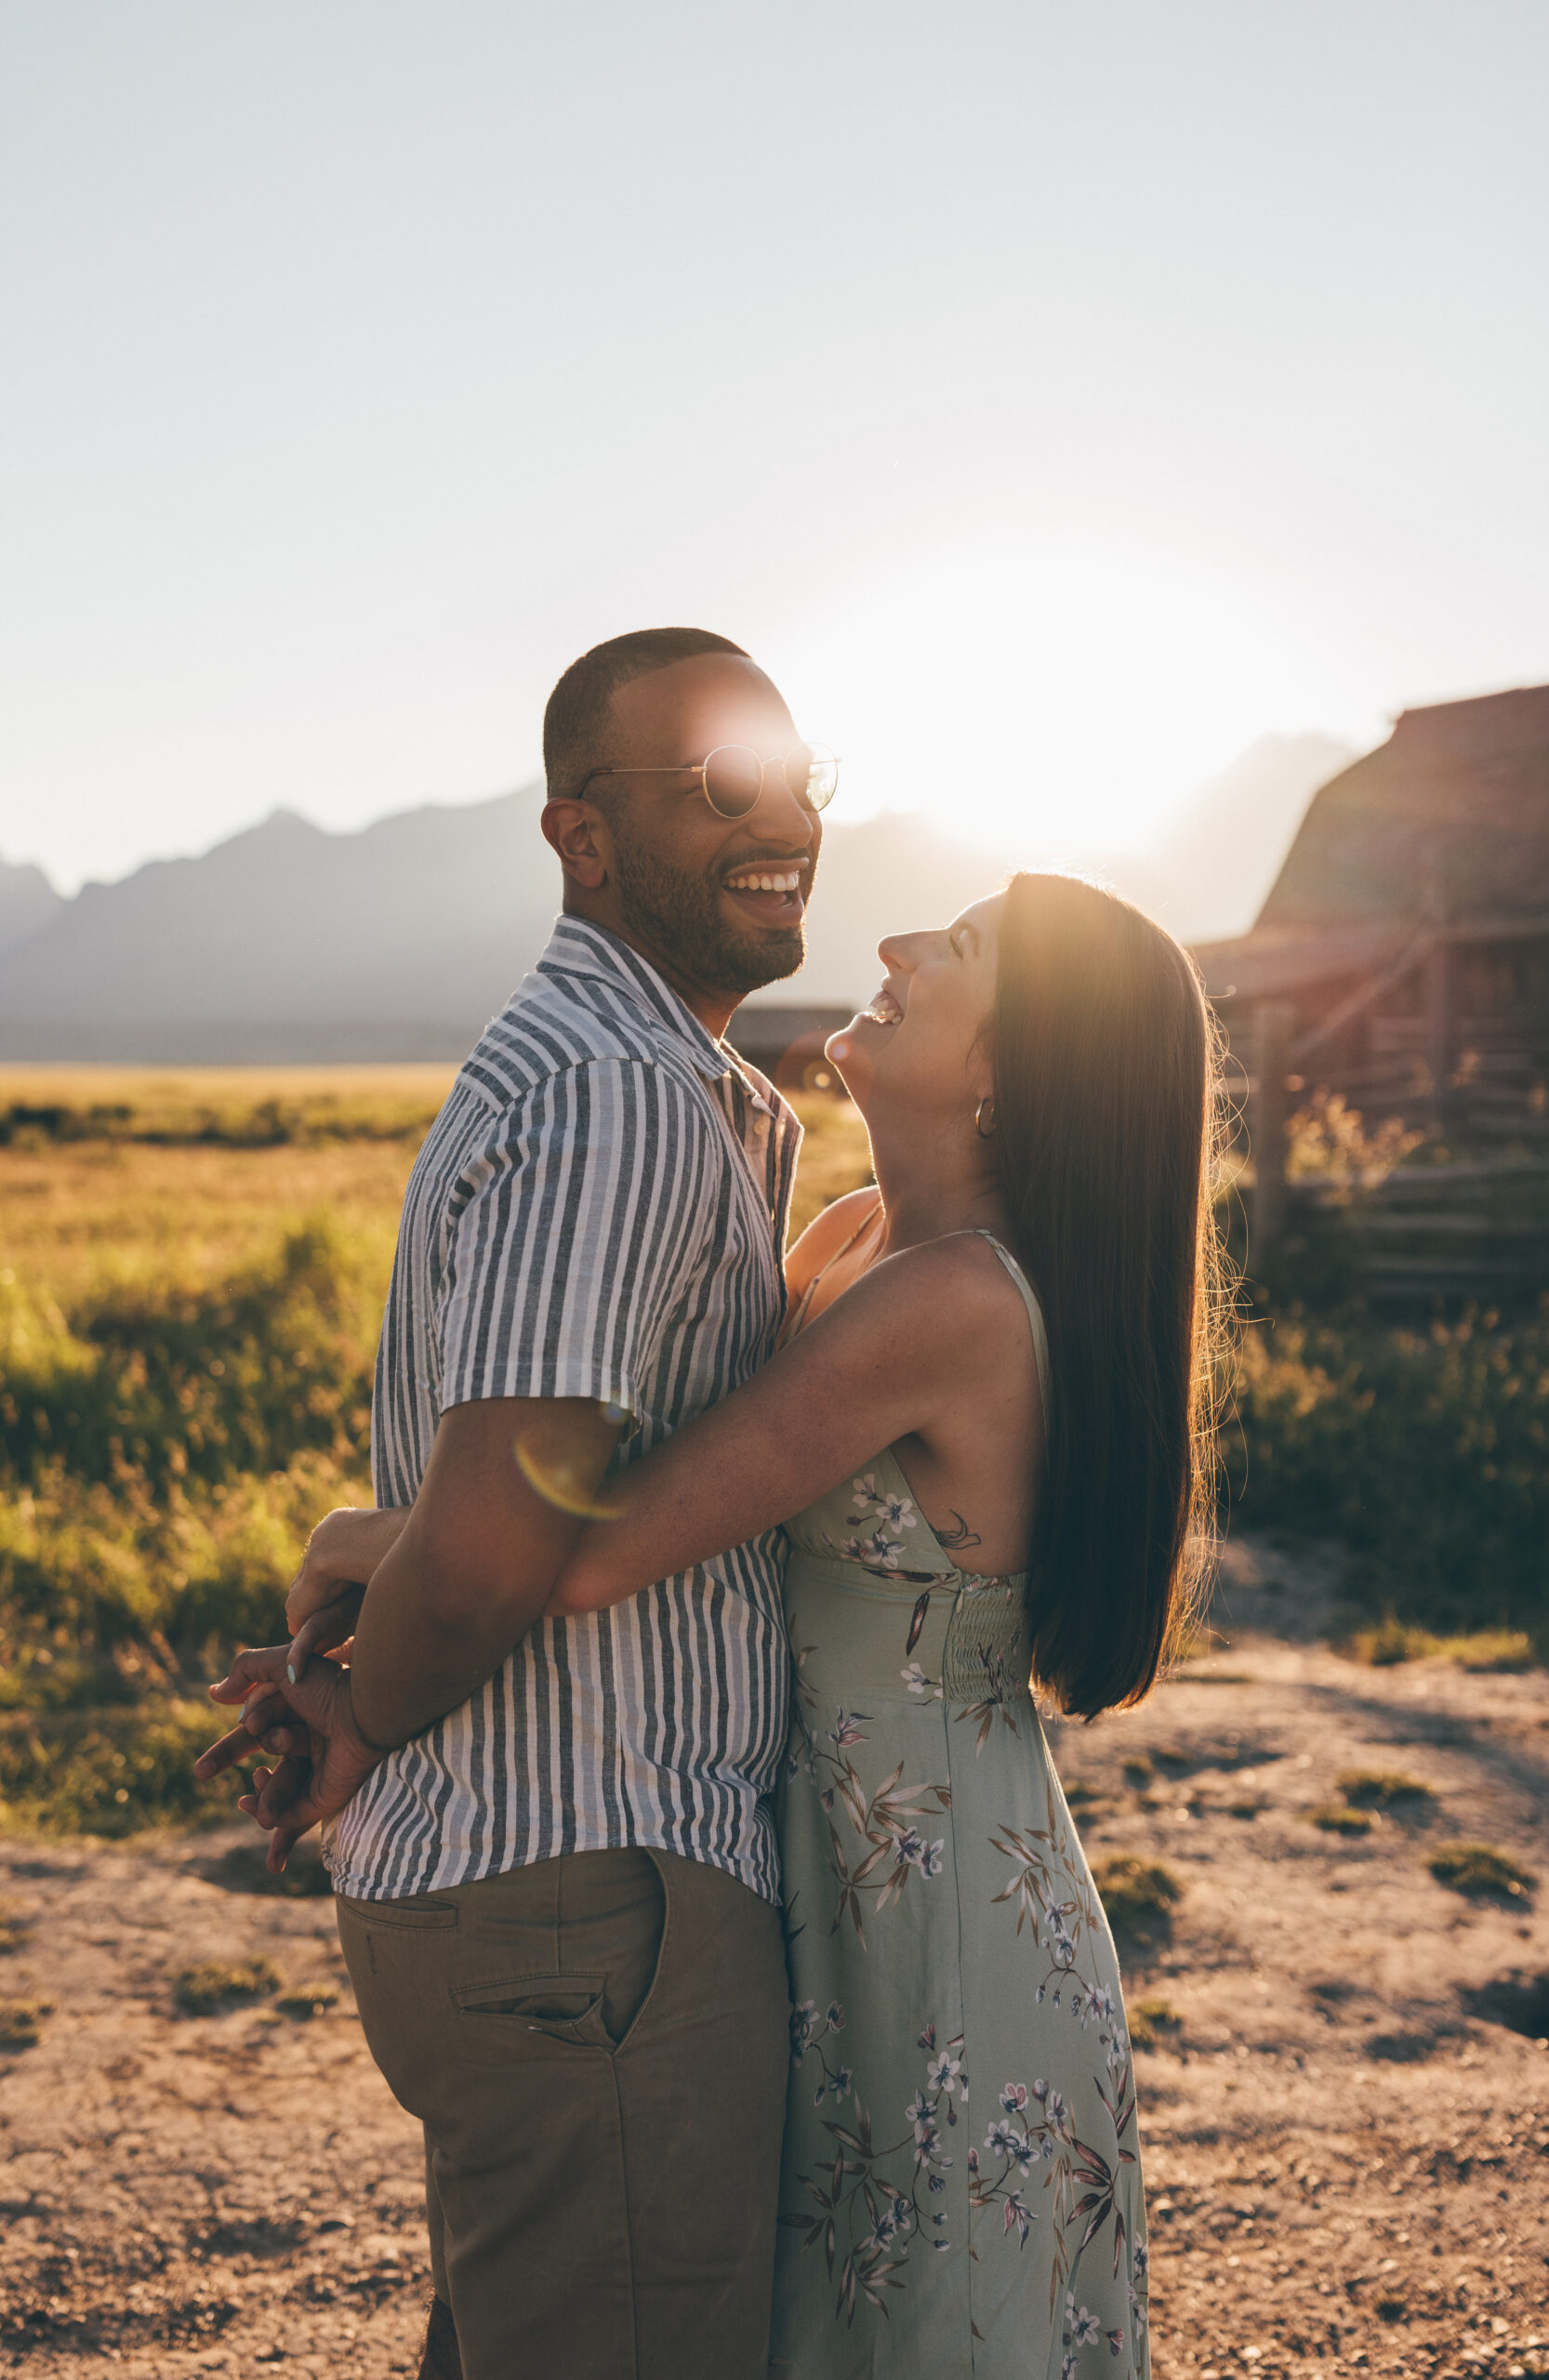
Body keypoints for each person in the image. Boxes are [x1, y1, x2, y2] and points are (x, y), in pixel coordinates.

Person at [211, 868, 1227, 2377]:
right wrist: (382, 1692)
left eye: (953, 950)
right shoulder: (857, 1237)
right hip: (820, 1882)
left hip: (936, 1932)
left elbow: (596, 1546)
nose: (891, 944)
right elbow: (664, 1515)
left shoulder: (956, 1303)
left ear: (1013, 1072)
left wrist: (355, 1543)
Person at [200, 624, 840, 2380]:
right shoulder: (623, 1091)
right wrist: (356, 1709)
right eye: (722, 786)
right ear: (581, 835)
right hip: (589, 1898)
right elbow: (491, 1545)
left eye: (800, 780)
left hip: (557, 1895)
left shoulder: (656, 1078)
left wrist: (364, 1691)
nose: (781, 820)